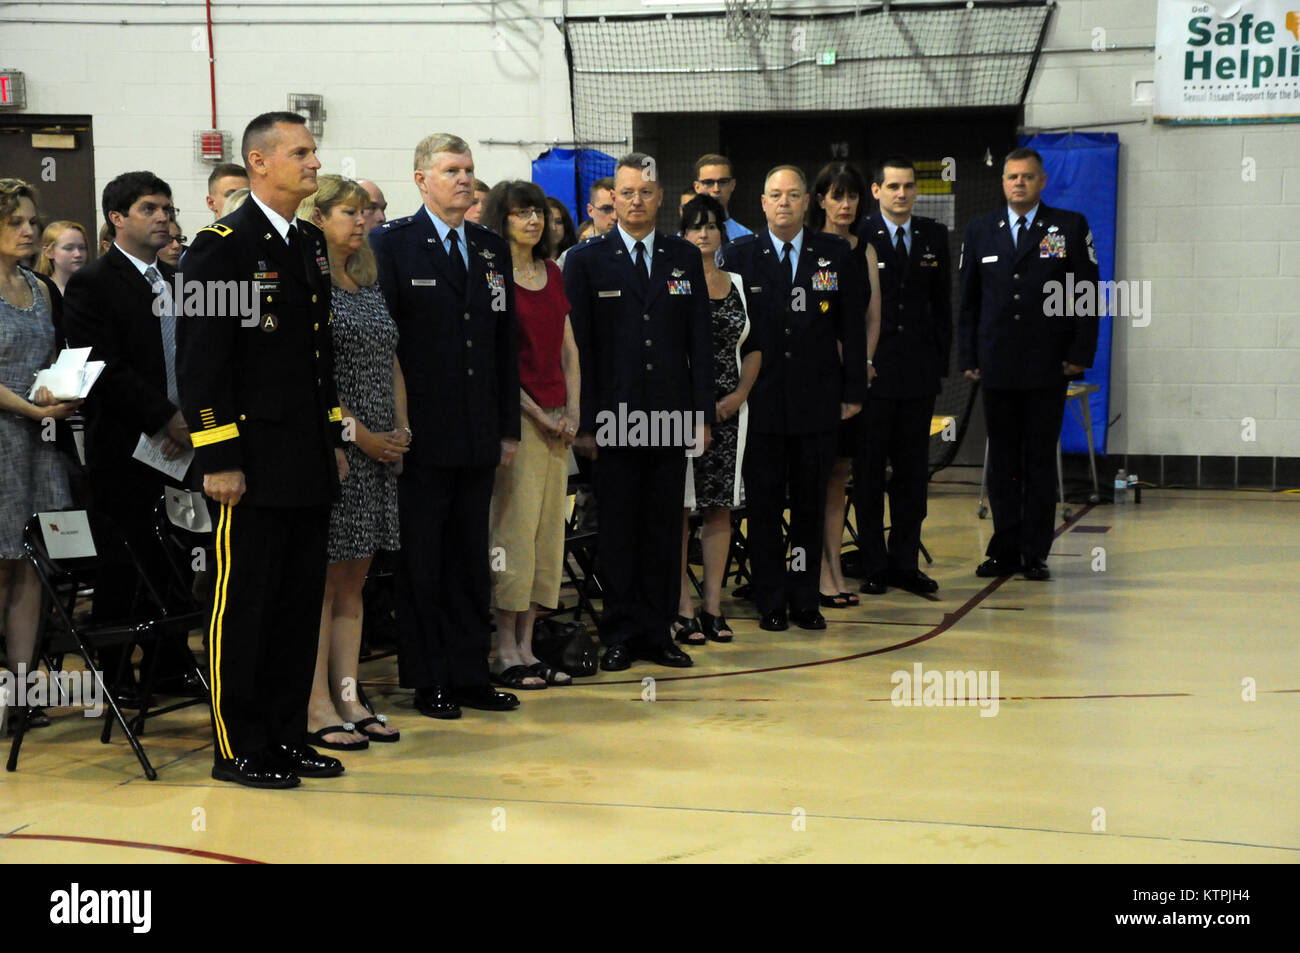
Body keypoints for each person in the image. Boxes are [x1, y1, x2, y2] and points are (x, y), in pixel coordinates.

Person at [178, 111, 350, 788]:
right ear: (259, 162)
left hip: (303, 455)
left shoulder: (307, 241)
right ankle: (238, 744)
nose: (313, 163)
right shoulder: (221, 244)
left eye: (313, 152)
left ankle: (286, 733)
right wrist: (218, 454)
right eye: (301, 153)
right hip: (245, 461)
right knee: (244, 603)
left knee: (295, 603)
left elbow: (318, 355)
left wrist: (333, 434)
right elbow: (201, 361)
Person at [369, 133, 521, 719]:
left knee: (469, 558)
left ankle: (469, 671)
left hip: (478, 429)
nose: (464, 178)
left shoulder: (489, 247)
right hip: (422, 434)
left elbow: (503, 342)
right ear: (421, 179)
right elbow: (386, 347)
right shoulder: (394, 245)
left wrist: (507, 427)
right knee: (423, 562)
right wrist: (395, 428)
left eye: (470, 169)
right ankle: (428, 676)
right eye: (452, 169)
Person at [565, 151, 713, 671]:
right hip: (613, 419)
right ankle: (621, 632)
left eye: (644, 192)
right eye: (625, 194)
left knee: (664, 530)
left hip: (671, 417)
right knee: (619, 531)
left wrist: (702, 416)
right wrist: (585, 424)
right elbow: (578, 347)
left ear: (660, 197)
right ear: (612, 200)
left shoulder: (683, 256)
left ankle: (659, 631)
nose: (635, 201)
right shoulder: (585, 259)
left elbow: (700, 338)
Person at [64, 171, 200, 704]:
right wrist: (164, 416)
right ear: (117, 218)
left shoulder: (178, 280)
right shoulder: (95, 281)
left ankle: (168, 665)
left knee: (176, 554)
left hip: (182, 442)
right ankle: (117, 673)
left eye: (167, 208)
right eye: (150, 209)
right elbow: (103, 365)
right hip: (126, 443)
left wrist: (187, 416)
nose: (164, 217)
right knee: (124, 561)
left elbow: (190, 359)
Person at [720, 165, 867, 632]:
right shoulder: (740, 255)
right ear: (762, 203)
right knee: (762, 507)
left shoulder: (833, 253)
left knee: (808, 506)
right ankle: (770, 598)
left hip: (817, 403)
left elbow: (851, 326)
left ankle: (805, 596)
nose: (784, 203)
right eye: (775, 195)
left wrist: (854, 391)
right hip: (759, 405)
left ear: (808, 202)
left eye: (793, 195)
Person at [298, 175, 406, 748]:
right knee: (321, 582)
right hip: (335, 448)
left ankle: (348, 692)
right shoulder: (308, 284)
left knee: (353, 583)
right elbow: (307, 381)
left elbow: (391, 362)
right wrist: (357, 435)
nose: (361, 221)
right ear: (318, 218)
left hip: (378, 451)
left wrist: (400, 432)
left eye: (365, 212)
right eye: (348, 212)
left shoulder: (366, 282)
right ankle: (314, 702)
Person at [958, 146, 1099, 581]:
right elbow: (968, 301)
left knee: (1038, 459)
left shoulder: (1068, 227)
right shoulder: (981, 230)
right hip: (997, 364)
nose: (1018, 183)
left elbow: (1085, 294)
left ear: (1041, 181)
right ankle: (1003, 548)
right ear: (1002, 183)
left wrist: (1079, 355)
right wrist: (969, 355)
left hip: (1047, 366)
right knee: (1003, 461)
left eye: (1027, 176)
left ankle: (1035, 551)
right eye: (1011, 176)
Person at [481, 181, 581, 688]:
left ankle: (527, 645)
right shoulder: (493, 276)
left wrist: (574, 410)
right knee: (513, 535)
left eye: (537, 213)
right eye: (521, 213)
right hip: (519, 417)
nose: (532, 221)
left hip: (558, 418)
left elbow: (568, 350)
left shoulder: (554, 271)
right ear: (502, 220)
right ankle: (503, 651)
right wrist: (540, 415)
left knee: (547, 534)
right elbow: (497, 363)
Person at [0, 179, 80, 730]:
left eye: (31, 220)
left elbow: (53, 358)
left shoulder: (39, 286)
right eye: (15, 222)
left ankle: (23, 688)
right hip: (6, 433)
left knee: (32, 562)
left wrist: (58, 390)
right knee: (0, 563)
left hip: (41, 438)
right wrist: (31, 410)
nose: (28, 230)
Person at [855, 156, 951, 596]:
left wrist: (941, 365)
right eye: (892, 186)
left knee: (913, 475)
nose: (901, 193)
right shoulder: (860, 236)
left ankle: (905, 562)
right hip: (874, 376)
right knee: (871, 474)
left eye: (908, 186)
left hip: (918, 375)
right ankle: (874, 563)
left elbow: (943, 306)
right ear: (876, 191)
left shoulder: (933, 235)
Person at [674, 195, 759, 644]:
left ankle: (712, 605)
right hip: (680, 415)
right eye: (694, 226)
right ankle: (681, 606)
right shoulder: (673, 282)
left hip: (730, 413)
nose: (704, 233)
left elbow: (755, 347)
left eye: (711, 226)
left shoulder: (740, 284)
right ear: (682, 233)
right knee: (680, 508)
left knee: (718, 508)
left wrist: (739, 395)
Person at [807, 162, 881, 609]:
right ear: (821, 201)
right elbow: (821, 318)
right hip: (818, 381)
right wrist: (836, 359)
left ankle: (833, 566)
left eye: (852, 196)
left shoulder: (865, 251)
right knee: (814, 479)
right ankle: (814, 569)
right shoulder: (816, 249)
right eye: (837, 196)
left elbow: (873, 316)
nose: (846, 204)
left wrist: (863, 362)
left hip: (855, 381)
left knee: (840, 477)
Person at [556, 178, 616, 269]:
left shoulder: (638, 252)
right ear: (590, 210)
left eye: (619, 209)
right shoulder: (571, 257)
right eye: (606, 209)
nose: (615, 216)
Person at [693, 154, 754, 239]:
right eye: (708, 182)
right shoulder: (684, 239)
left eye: (723, 182)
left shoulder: (747, 238)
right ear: (697, 187)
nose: (716, 189)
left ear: (732, 185)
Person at [35, 221, 89, 295]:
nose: (78, 254)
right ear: (49, 252)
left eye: (82, 248)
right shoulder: (40, 291)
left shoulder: (94, 288)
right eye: (69, 248)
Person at [545, 195, 577, 260]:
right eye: (548, 223)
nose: (553, 228)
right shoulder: (526, 260)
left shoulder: (577, 257)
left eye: (558, 222)